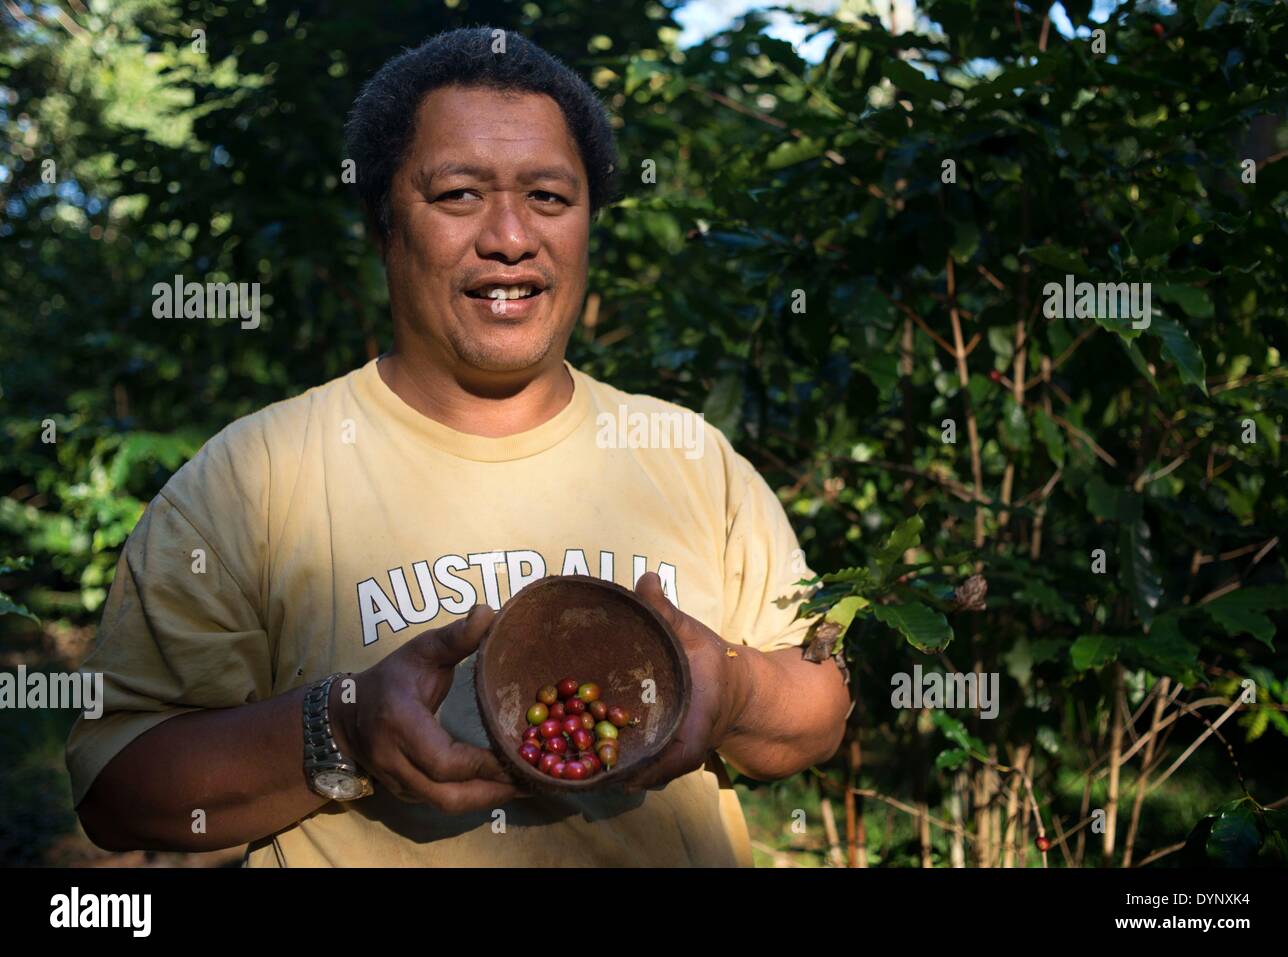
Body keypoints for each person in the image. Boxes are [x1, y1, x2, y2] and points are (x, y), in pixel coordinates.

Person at [67, 26, 850, 866]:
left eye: (549, 197)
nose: (510, 237)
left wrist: (732, 689)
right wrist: (341, 729)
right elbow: (117, 789)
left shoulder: (691, 456)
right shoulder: (252, 480)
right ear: (383, 225)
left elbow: (820, 709)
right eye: (458, 196)